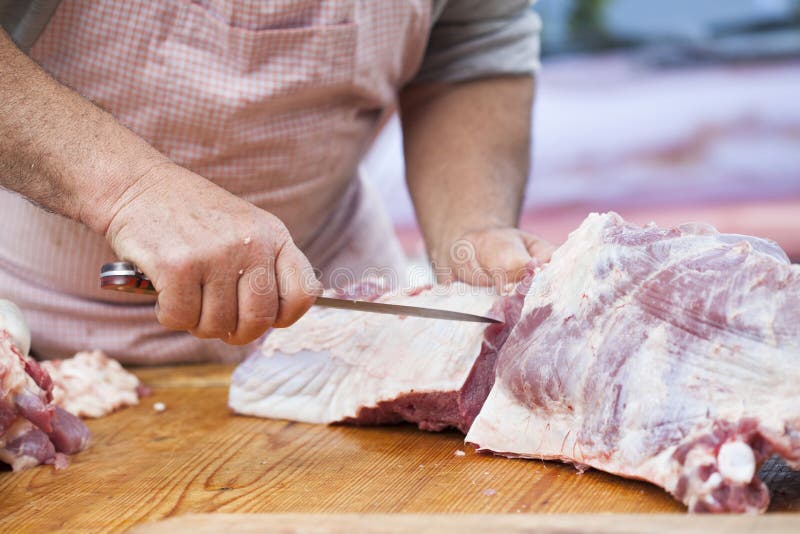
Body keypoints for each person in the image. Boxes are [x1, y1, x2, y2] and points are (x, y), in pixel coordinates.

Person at [0, 0, 554, 365]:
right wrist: (131, 191)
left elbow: (469, 43)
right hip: (37, 323)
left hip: (336, 307)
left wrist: (473, 225)